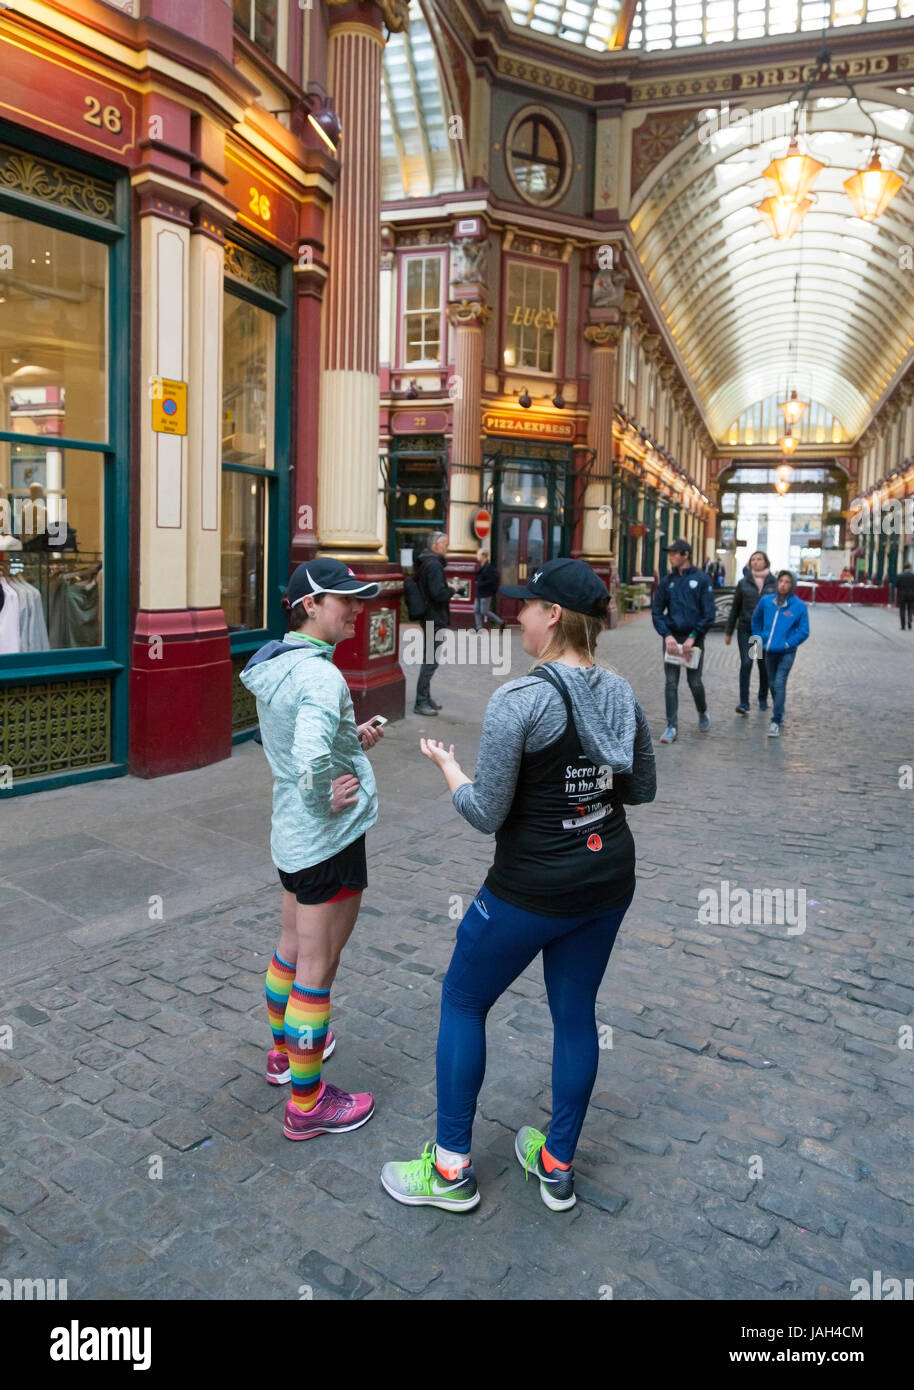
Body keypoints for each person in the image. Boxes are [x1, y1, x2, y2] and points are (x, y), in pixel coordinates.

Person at [379, 558, 656, 1214]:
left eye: (528, 606)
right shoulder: (621, 693)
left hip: (529, 889)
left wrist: (450, 769)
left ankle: (449, 1171)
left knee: (463, 999)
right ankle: (556, 1165)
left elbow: (484, 814)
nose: (518, 615)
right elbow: (641, 788)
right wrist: (589, 791)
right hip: (607, 880)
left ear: (554, 617)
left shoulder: (522, 700)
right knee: (574, 1014)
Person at [239, 558, 386, 1141]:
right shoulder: (321, 677)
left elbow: (306, 740)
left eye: (357, 599)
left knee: (291, 950)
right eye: (343, 600)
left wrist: (356, 741)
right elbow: (307, 758)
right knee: (316, 970)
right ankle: (308, 1105)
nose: (355, 609)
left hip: (291, 838)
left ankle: (283, 1056)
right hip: (326, 839)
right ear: (309, 605)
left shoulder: (277, 665)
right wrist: (326, 797)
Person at [651, 538, 715, 744]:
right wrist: (666, 635)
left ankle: (702, 711)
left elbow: (709, 614)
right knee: (671, 682)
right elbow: (657, 611)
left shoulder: (702, 580)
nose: (670, 557)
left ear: (685, 555)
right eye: (669, 553)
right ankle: (671, 726)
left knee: (694, 682)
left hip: (693, 640)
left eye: (674, 553)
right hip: (672, 639)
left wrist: (693, 637)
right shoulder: (667, 582)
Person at [751, 569, 809, 738]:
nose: (783, 585)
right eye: (781, 581)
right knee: (771, 683)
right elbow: (756, 619)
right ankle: (779, 707)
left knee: (779, 682)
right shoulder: (766, 601)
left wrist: (788, 643)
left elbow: (804, 631)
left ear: (793, 586)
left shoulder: (798, 606)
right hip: (769, 650)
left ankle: (776, 720)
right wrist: (759, 637)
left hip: (786, 652)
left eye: (787, 582)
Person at [724, 550, 777, 714]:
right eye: (753, 559)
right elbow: (735, 608)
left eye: (759, 559)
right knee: (747, 663)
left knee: (763, 665)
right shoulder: (743, 583)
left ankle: (762, 697)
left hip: (763, 632)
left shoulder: (774, 583)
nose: (755, 562)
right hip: (746, 629)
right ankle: (744, 702)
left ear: (766, 562)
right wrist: (729, 631)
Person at [413, 531, 456, 716]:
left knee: (429, 658)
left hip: (430, 616)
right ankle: (421, 701)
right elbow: (437, 594)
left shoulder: (427, 562)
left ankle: (426, 698)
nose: (447, 548)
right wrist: (452, 590)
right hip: (434, 617)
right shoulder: (434, 565)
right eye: (445, 544)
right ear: (435, 545)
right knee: (430, 661)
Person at [474, 549, 505, 630]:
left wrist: (480, 584)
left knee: (484, 611)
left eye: (478, 555)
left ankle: (501, 622)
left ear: (483, 556)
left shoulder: (489, 568)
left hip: (486, 593)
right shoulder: (481, 566)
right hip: (479, 592)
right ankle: (479, 627)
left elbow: (491, 581)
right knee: (476, 610)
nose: (477, 556)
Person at [895, 563, 914, 630]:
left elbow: (896, 585)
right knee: (910, 609)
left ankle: (903, 626)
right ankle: (909, 621)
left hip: (902, 595)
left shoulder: (900, 575)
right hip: (911, 595)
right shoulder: (913, 575)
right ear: (910, 567)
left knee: (902, 610)